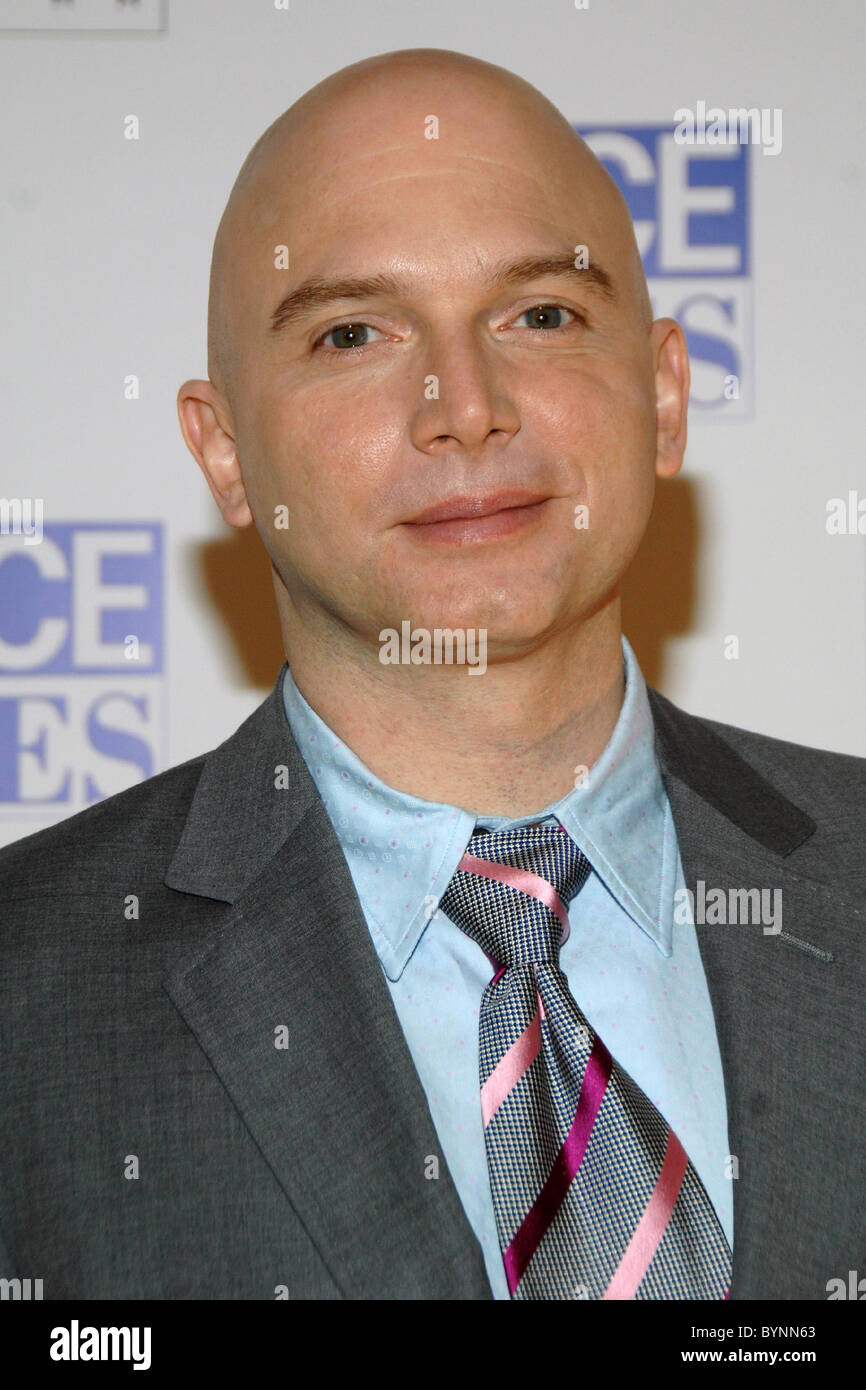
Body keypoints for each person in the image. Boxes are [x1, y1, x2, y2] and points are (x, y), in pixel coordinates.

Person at [0, 47, 863, 1302]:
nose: (464, 404)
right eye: (352, 333)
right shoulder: (25, 996)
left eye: (540, 315)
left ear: (664, 392)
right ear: (225, 452)